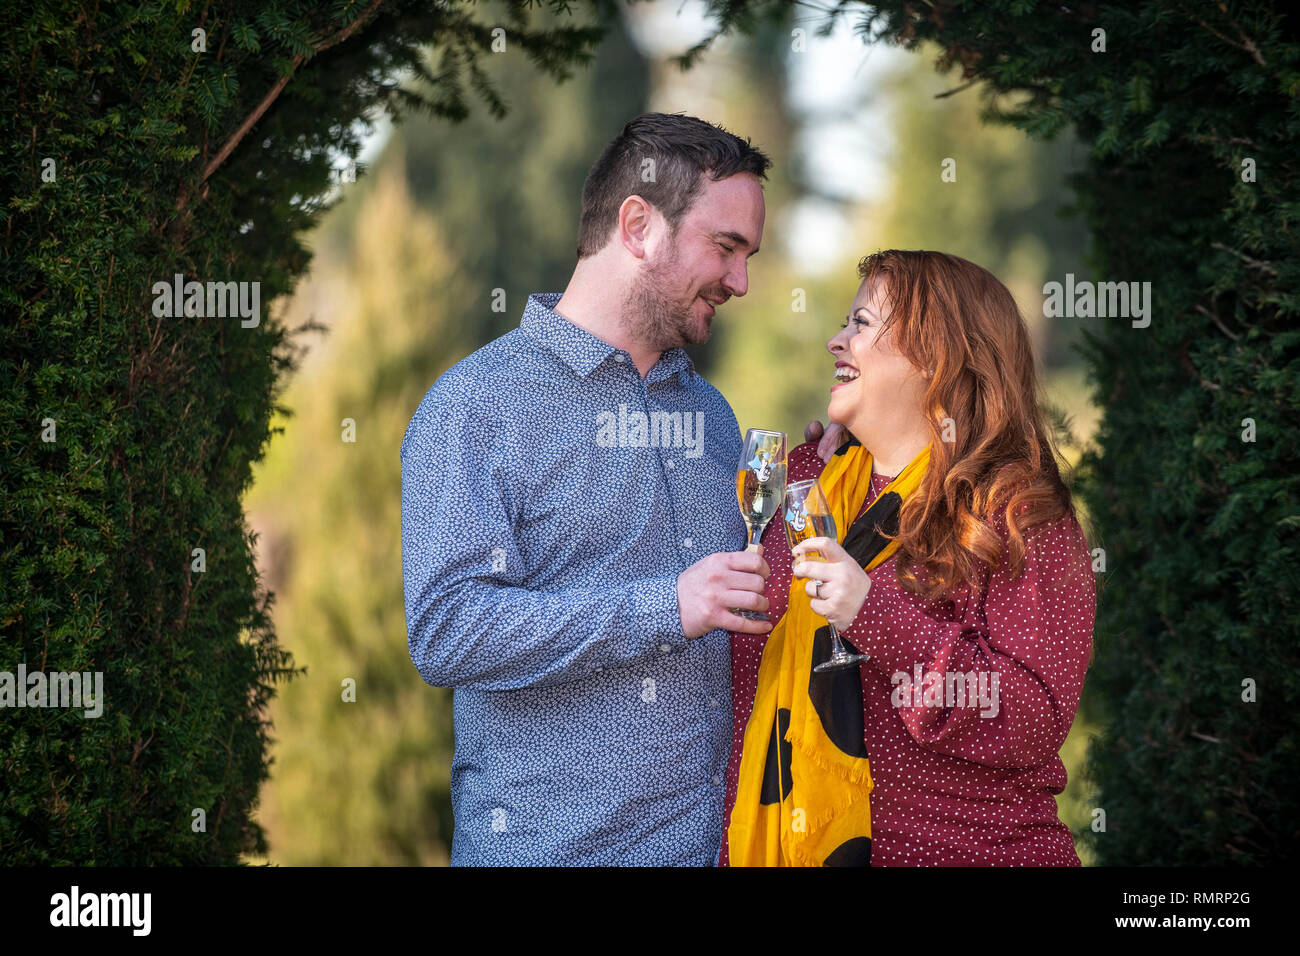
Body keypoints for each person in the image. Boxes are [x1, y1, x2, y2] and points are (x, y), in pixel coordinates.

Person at [401, 113, 831, 865]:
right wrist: (664, 606)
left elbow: (746, 592)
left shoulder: (710, 412)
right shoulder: (477, 405)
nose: (741, 281)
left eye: (748, 255)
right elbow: (447, 630)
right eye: (724, 247)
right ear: (638, 225)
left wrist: (824, 477)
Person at [723, 249, 1096, 866]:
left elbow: (1033, 720)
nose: (833, 340)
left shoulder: (1017, 513)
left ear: (936, 356)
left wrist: (874, 615)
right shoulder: (811, 486)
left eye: (861, 324)